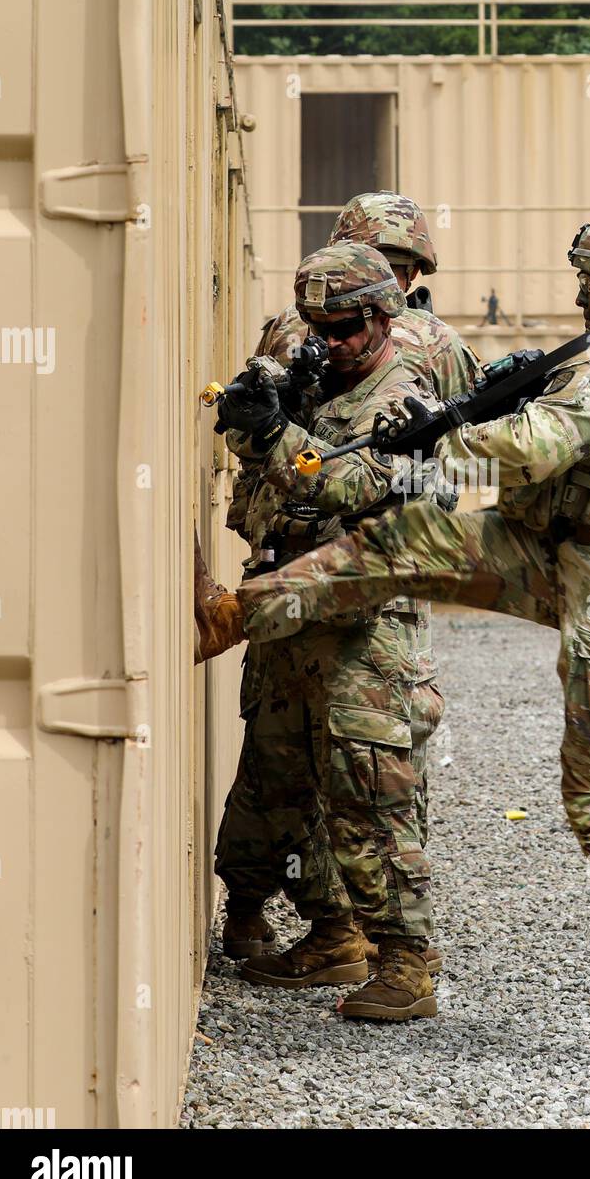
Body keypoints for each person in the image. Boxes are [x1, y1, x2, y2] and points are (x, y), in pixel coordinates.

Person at [197, 213, 590, 1059]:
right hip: (573, 554)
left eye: (584, 281)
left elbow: (525, 453)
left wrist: (435, 444)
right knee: (410, 537)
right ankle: (246, 610)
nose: (576, 295)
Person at [207, 240, 441, 1022]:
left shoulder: (402, 391)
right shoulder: (314, 370)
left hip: (359, 623)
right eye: (318, 325)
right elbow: (258, 456)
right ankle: (264, 913)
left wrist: (277, 435)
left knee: (371, 796)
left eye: (344, 327)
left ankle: (404, 962)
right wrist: (253, 415)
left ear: (382, 316)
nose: (330, 340)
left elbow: (355, 481)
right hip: (285, 609)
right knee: (272, 779)